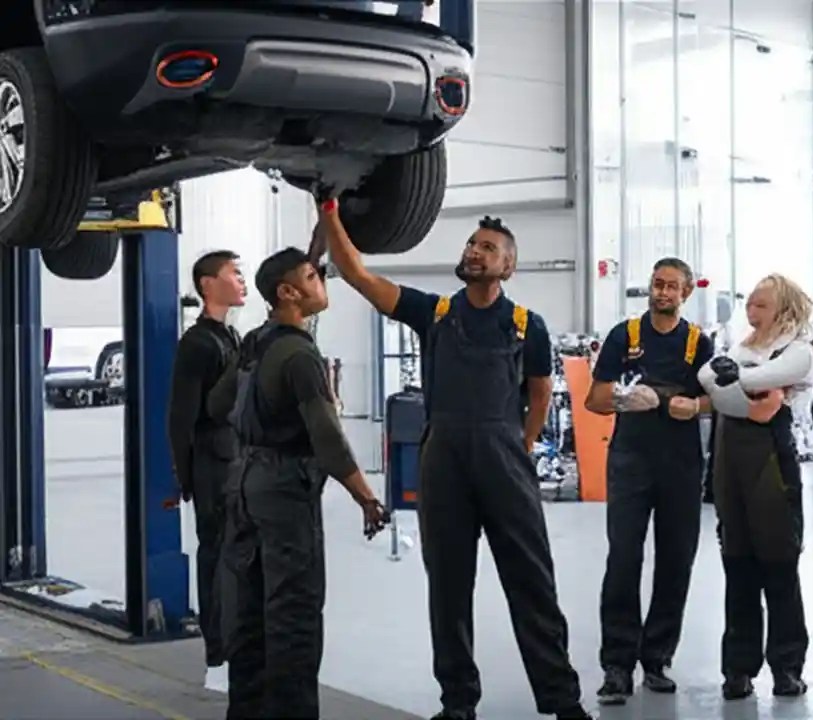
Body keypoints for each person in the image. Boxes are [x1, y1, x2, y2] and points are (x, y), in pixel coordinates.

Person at [318, 203, 592, 720]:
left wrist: (520, 447)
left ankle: (563, 701)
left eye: (488, 247)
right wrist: (328, 208)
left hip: (504, 460)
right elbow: (356, 274)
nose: (474, 250)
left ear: (508, 267)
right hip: (442, 460)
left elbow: (540, 394)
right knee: (447, 586)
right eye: (472, 243)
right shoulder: (433, 312)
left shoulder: (525, 326)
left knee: (532, 583)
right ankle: (458, 703)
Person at [209, 246, 388, 719]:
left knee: (248, 613)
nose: (320, 281)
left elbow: (217, 405)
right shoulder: (300, 357)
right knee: (293, 617)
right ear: (288, 292)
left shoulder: (255, 341)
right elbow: (327, 439)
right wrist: (366, 497)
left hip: (243, 483)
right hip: (285, 489)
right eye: (312, 276)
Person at [584, 258, 713, 705]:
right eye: (657, 284)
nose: (662, 292)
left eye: (671, 287)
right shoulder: (626, 336)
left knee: (677, 561)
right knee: (624, 559)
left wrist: (696, 408)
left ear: (686, 293)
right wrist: (622, 398)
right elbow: (594, 397)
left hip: (681, 465)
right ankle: (617, 665)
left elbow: (718, 398)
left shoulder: (699, 342)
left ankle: (657, 658)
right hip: (631, 462)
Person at [697, 273, 813, 701]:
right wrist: (740, 379)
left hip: (772, 466)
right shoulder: (739, 346)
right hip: (731, 467)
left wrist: (736, 380)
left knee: (780, 568)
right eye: (750, 303)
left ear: (782, 308)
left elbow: (760, 401)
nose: (752, 311)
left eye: (761, 305)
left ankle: (787, 666)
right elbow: (708, 378)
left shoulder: (798, 352)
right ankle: (737, 669)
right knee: (738, 567)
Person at [165, 250, 246, 690]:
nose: (241, 280)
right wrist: (185, 474)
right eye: (234, 273)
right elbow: (180, 416)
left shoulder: (229, 338)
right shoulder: (197, 344)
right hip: (211, 467)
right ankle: (217, 658)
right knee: (215, 558)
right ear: (207, 284)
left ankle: (237, 649)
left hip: (234, 462)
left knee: (235, 560)